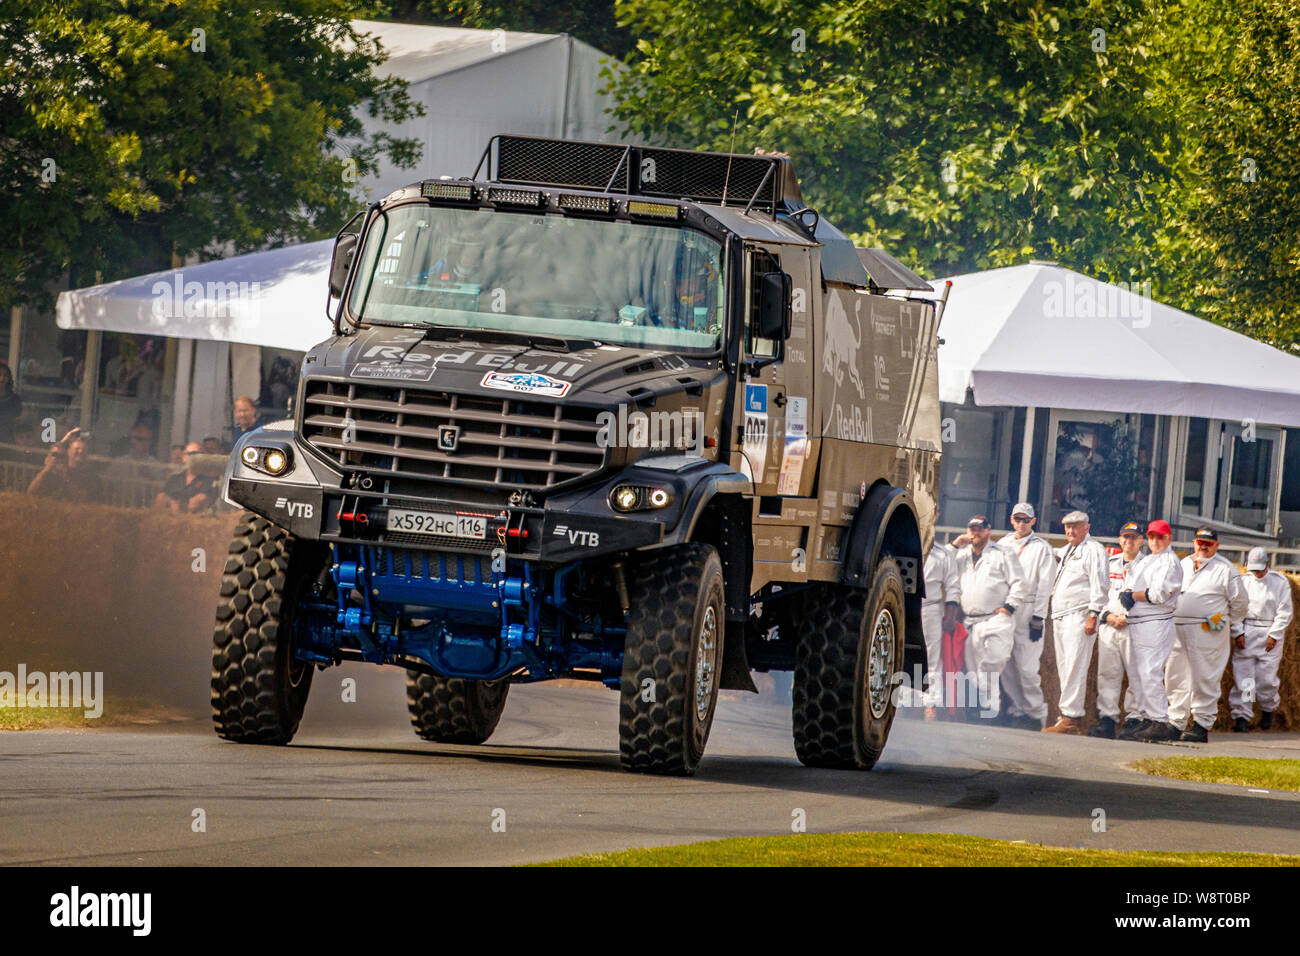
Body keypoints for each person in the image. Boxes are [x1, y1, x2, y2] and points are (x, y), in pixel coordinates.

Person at [1165, 527, 1249, 742]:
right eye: (1200, 541)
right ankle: (1176, 721)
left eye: (1208, 543)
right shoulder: (1183, 564)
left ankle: (1201, 723)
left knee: (1205, 675)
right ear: (1194, 542)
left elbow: (1240, 603)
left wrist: (1222, 620)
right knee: (1175, 674)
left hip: (1207, 627)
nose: (1203, 545)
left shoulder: (1226, 569)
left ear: (1216, 545)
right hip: (1179, 626)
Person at [949, 515, 1028, 719]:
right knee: (974, 670)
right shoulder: (961, 555)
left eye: (980, 529)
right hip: (970, 620)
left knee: (994, 660)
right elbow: (942, 565)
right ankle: (984, 712)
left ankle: (991, 707)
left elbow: (1020, 582)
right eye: (972, 529)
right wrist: (956, 544)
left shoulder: (1002, 552)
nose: (975, 533)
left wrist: (1009, 606)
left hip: (996, 618)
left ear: (988, 531)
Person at [1043, 510, 1110, 734]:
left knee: (1074, 665)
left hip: (1080, 614)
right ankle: (1066, 715)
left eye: (1076, 526)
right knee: (1065, 666)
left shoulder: (1093, 549)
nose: (1071, 530)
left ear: (1087, 528)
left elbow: (1100, 582)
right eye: (1067, 527)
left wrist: (1094, 614)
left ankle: (1071, 716)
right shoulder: (1068, 550)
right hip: (1061, 613)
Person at [1119, 520, 1184, 743]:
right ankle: (1147, 717)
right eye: (1152, 536)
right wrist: (1127, 594)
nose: (1155, 541)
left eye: (1160, 537)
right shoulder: (1148, 560)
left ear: (1168, 538)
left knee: (1150, 671)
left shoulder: (1169, 561)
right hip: (1139, 621)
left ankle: (1159, 720)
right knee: (1138, 673)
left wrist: (1133, 595)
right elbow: (1132, 584)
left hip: (1156, 621)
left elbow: (1159, 594)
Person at [993, 503, 1056, 730]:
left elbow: (1045, 584)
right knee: (1007, 664)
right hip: (1005, 608)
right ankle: (1018, 710)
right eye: (1018, 519)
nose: (1021, 523)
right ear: (1011, 520)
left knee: (1027, 667)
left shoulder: (1042, 548)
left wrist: (1038, 616)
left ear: (1033, 521)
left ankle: (1036, 712)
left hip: (1028, 608)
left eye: (1026, 520)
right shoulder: (1001, 544)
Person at [1228, 547, 1293, 732]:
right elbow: (1237, 609)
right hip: (1248, 630)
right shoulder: (1244, 581)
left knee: (1266, 679)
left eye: (1259, 569)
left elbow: (1285, 611)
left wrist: (1274, 635)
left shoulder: (1279, 583)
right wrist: (1238, 633)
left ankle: (1267, 709)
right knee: (1245, 678)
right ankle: (1242, 715)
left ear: (1267, 565)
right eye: (1253, 569)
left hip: (1269, 631)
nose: (1256, 573)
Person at [1091, 521, 1145, 739]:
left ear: (1141, 540)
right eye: (1125, 537)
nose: (1128, 541)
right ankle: (1107, 719)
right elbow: (1098, 591)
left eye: (1133, 537)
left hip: (1135, 627)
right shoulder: (1109, 563)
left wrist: (1128, 617)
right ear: (1119, 538)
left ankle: (1134, 718)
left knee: (1136, 674)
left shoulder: (1147, 565)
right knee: (1107, 673)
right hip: (1109, 624)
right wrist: (1107, 615)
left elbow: (1153, 597)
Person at [920, 537, 962, 715]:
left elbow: (953, 586)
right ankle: (900, 703)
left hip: (931, 607)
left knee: (931, 656)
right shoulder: (902, 544)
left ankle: (931, 703)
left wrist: (950, 616)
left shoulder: (943, 553)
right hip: (903, 606)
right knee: (900, 653)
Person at [27, 428, 102, 504]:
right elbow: (32, 492)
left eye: (84, 450)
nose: (80, 452)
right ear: (68, 451)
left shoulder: (91, 476)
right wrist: (47, 469)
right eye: (77, 449)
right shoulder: (57, 471)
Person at [153, 442, 217, 514]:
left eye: (198, 454)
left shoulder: (209, 481)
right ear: (184, 458)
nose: (194, 457)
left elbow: (199, 502)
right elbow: (159, 501)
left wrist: (177, 505)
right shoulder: (174, 479)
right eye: (191, 454)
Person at [0, 361, 22, 444]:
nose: (2, 379)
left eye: (5, 376)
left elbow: (18, 419)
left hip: (8, 439)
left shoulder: (14, 399)